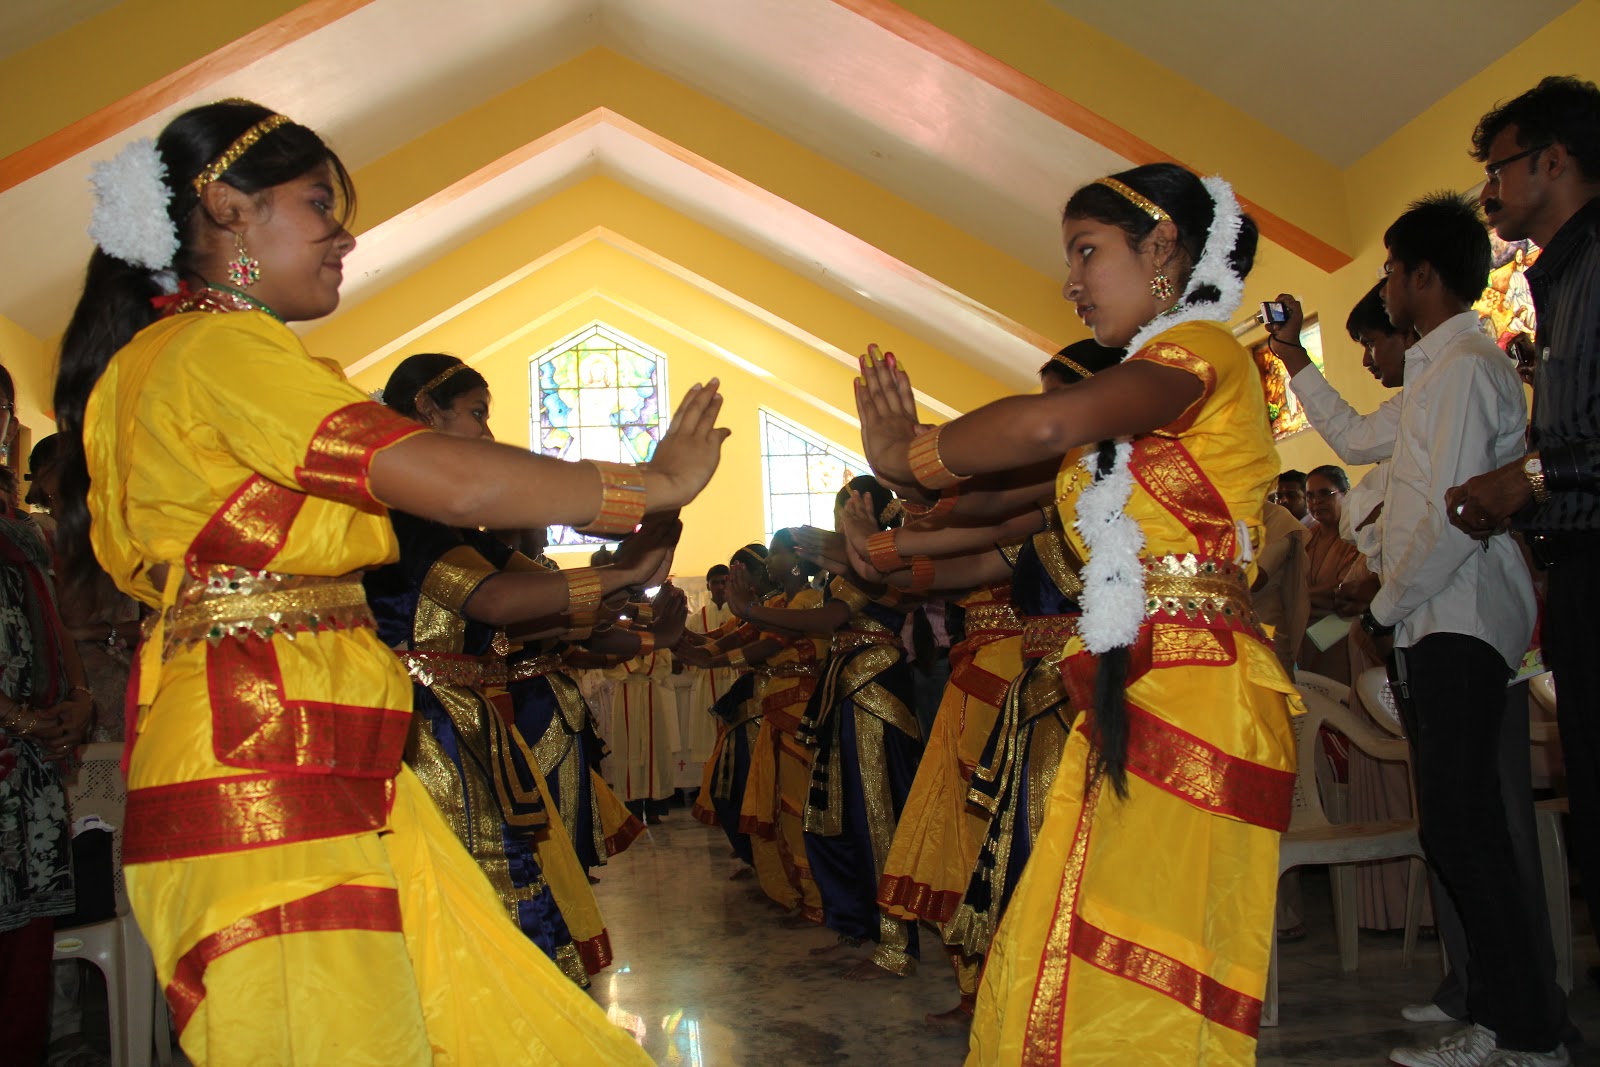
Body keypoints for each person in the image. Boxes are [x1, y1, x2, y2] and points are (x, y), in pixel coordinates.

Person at [52, 100, 727, 1063]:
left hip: (310, 747)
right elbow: (440, 473)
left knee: (451, 1021)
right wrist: (644, 484)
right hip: (265, 763)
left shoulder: (194, 353)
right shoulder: (214, 351)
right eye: (319, 201)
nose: (345, 233)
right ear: (227, 208)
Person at [857, 162, 1298, 1063]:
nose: (1071, 281)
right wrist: (906, 474)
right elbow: (1005, 495)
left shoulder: (1202, 354)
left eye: (1087, 252)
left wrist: (917, 453)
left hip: (1196, 687)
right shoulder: (1149, 390)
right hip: (1137, 679)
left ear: (1164, 245)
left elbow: (1042, 428)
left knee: (1148, 958)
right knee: (1073, 933)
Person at [1269, 192, 1563, 1066]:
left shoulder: (1470, 365)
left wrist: (1391, 607)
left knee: (1468, 825)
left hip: (1460, 615)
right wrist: (1293, 361)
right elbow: (1360, 440)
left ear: (1426, 278)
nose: (1386, 284)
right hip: (1432, 616)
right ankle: (1501, 1008)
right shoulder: (1437, 365)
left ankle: (1527, 1027)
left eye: (1393, 269)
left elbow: (1458, 517)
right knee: (1456, 825)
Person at [1447, 77, 1600, 973]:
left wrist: (1530, 478)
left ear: (1553, 160)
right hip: (1574, 565)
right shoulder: (1559, 277)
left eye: (1498, 168)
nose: (1489, 190)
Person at [735, 477, 922, 979]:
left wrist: (750, 610)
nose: (843, 524)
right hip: (841, 689)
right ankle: (855, 923)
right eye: (842, 513)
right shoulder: (842, 566)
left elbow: (832, 618)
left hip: (875, 689)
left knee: (875, 812)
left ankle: (895, 941)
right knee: (832, 813)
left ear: (881, 515)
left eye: (854, 512)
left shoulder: (888, 560)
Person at [0, 363, 93, 1066]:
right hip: (14, 745)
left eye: (2, 410)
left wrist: (79, 699)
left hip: (27, 779)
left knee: (25, 958)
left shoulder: (24, 529)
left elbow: (56, 628)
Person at [1298, 464, 1366, 684]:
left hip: (1344, 634)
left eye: (1325, 493)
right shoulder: (1308, 537)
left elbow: (1346, 588)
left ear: (1345, 494)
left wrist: (1302, 598)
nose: (1316, 501)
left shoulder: (1358, 535)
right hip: (1308, 634)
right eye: (1310, 496)